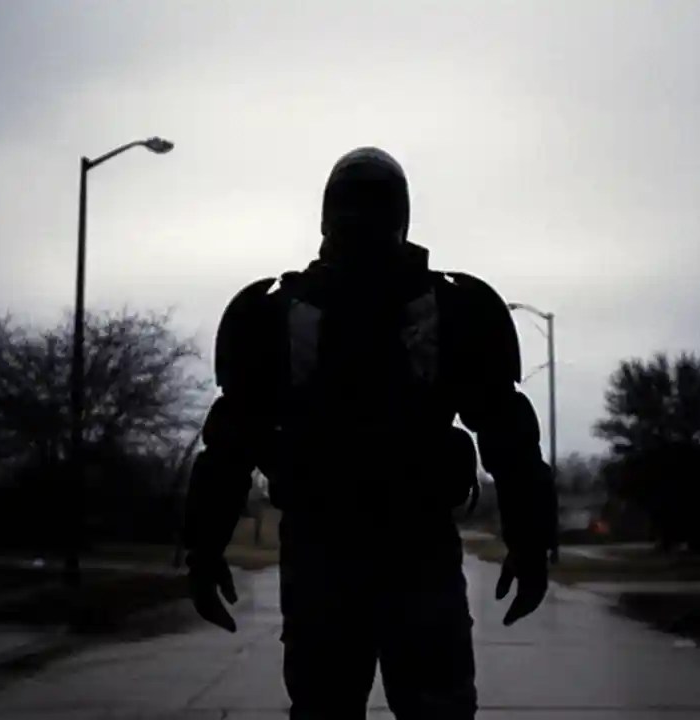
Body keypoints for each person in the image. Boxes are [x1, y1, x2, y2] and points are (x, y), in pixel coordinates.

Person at [183, 147, 558, 719]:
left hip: (386, 550)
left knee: (387, 705)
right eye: (354, 204)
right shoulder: (283, 314)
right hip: (350, 550)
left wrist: (531, 541)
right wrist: (203, 548)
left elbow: (510, 437)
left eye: (372, 204)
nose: (361, 219)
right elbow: (229, 443)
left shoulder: (444, 309)